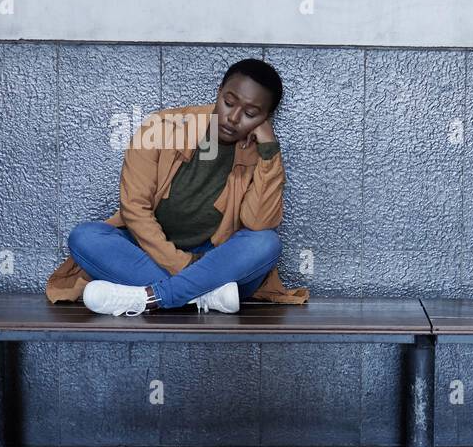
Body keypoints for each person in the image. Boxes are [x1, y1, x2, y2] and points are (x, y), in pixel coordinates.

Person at [45, 59, 309, 315]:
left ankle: (151, 297)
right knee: (85, 237)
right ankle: (203, 295)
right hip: (152, 254)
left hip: (215, 259)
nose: (234, 118)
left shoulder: (258, 151)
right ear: (218, 92)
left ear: (265, 118)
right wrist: (184, 266)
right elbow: (134, 208)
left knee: (266, 243)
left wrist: (269, 153)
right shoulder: (160, 127)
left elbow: (258, 221)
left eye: (251, 114)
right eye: (228, 103)